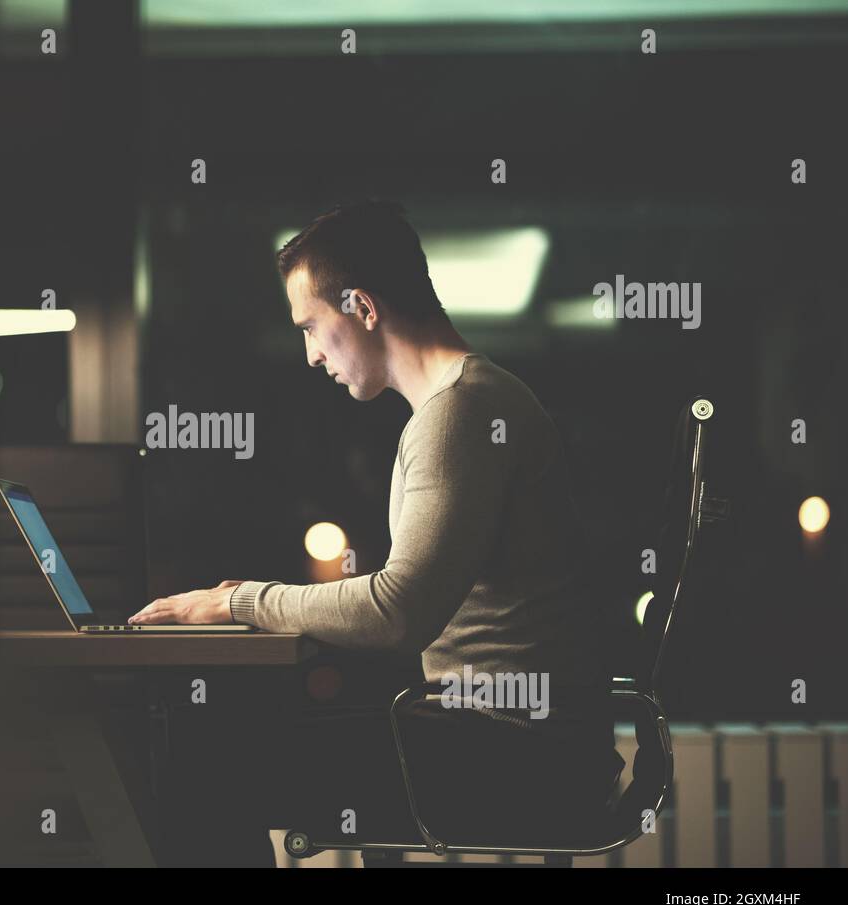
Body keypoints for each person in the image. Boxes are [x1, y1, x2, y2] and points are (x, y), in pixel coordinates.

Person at [129, 200, 623, 866]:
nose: (309, 354)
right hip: (518, 745)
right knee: (256, 743)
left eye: (311, 325)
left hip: (514, 755)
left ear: (362, 307)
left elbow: (397, 612)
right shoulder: (470, 403)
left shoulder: (459, 415)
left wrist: (238, 599)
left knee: (204, 767)